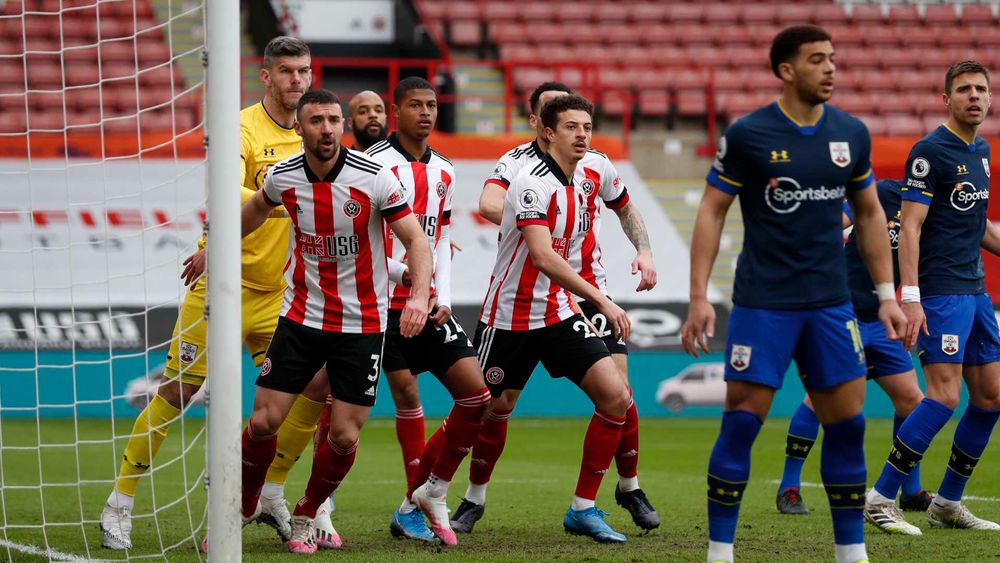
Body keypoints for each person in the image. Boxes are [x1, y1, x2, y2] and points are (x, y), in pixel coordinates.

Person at [679, 25, 907, 563]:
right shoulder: (749, 134)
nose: (830, 68)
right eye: (816, 59)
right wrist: (698, 296)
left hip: (831, 304)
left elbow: (870, 214)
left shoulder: (851, 133)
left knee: (848, 426)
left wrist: (888, 294)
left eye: (833, 58)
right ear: (786, 70)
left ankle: (851, 553)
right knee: (741, 422)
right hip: (764, 303)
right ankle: (720, 552)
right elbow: (712, 210)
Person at [98, 36, 320, 550]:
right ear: (266, 76)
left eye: (304, 71)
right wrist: (283, 197)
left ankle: (270, 492)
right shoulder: (241, 128)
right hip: (222, 285)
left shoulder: (313, 130)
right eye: (287, 71)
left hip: (279, 294)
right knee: (176, 394)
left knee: (310, 390)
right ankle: (119, 504)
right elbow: (230, 191)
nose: (296, 79)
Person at [454, 81, 660, 535]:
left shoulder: (597, 165)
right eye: (563, 120)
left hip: (586, 291)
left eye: (583, 123)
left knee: (619, 392)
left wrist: (644, 251)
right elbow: (489, 203)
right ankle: (471, 497)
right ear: (540, 124)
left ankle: (626, 487)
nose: (577, 131)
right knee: (497, 404)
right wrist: (531, 222)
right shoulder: (519, 166)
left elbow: (626, 209)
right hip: (526, 297)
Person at [236, 89, 432, 554]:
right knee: (263, 422)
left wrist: (420, 296)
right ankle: (241, 507)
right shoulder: (283, 176)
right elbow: (255, 211)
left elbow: (416, 240)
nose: (327, 129)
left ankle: (307, 513)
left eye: (333, 120)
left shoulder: (375, 177)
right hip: (301, 316)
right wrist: (212, 248)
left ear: (342, 125)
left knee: (343, 434)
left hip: (362, 324)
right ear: (299, 127)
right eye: (316, 120)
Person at [864, 60, 1000, 535]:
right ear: (947, 99)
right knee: (943, 395)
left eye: (981, 89)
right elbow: (911, 227)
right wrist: (912, 296)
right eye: (964, 89)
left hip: (976, 291)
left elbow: (979, 226)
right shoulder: (930, 152)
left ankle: (947, 503)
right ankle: (881, 497)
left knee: (991, 397)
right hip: (941, 292)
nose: (974, 96)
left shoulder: (981, 150)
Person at [362, 76, 489, 546]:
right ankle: (322, 509)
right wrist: (408, 279)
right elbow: (367, 245)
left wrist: (444, 298)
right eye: (415, 105)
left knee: (477, 396)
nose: (426, 113)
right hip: (380, 306)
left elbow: (440, 239)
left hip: (430, 304)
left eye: (431, 105)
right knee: (389, 400)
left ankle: (420, 497)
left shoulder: (446, 170)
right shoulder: (373, 165)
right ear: (396, 112)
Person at [776, 180, 930, 517]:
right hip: (844, 314)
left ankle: (911, 490)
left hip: (883, 318)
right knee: (820, 399)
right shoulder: (885, 193)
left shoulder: (932, 209)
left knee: (912, 401)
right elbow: (834, 222)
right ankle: (789, 487)